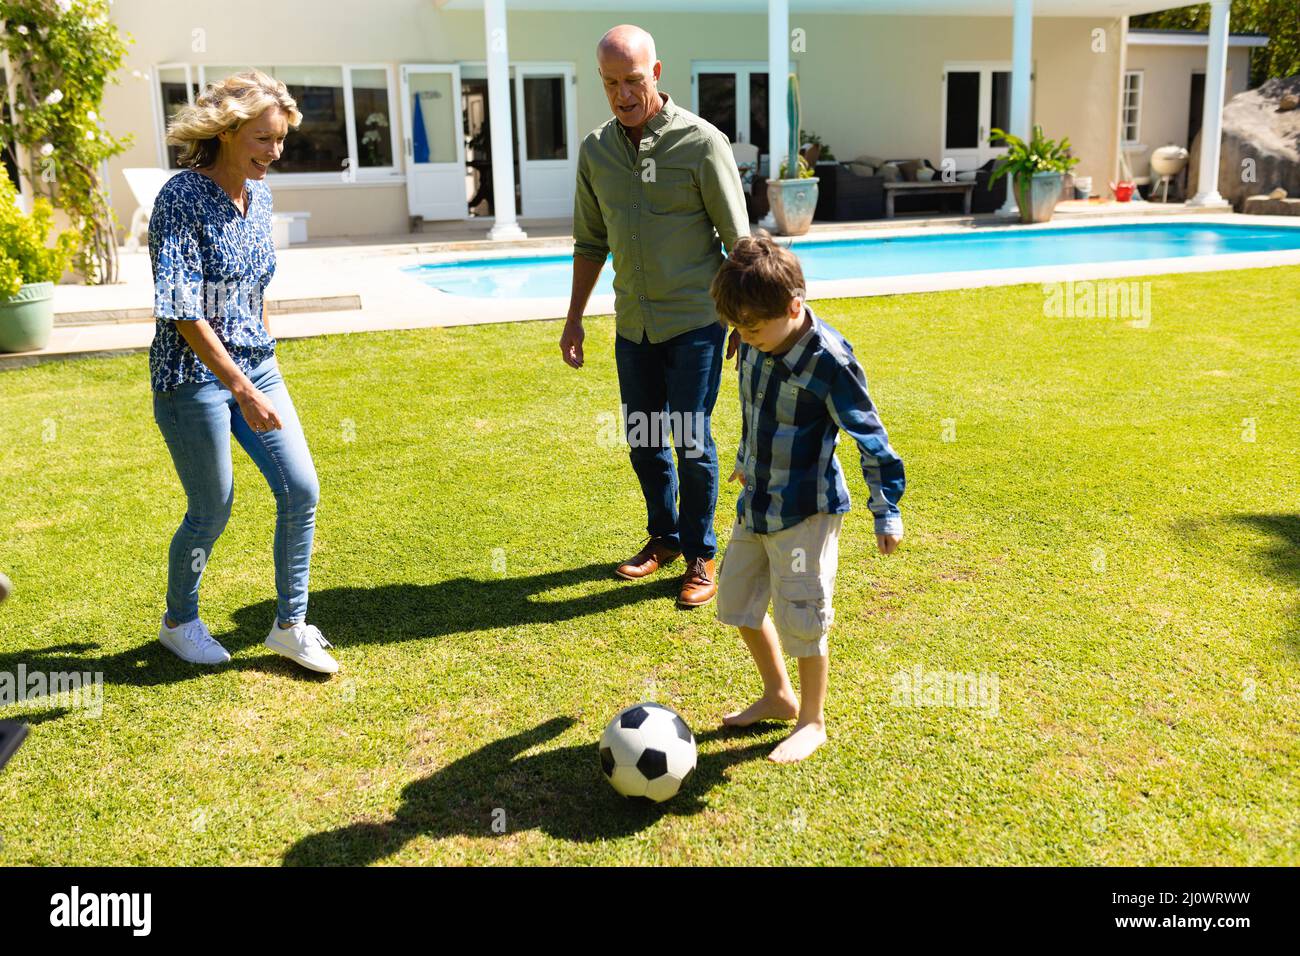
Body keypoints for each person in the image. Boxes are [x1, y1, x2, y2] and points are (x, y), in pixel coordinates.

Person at [148, 70, 337, 674]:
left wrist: (260, 352)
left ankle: (290, 625)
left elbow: (253, 286)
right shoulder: (180, 196)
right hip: (192, 376)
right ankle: (180, 622)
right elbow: (181, 307)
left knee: (300, 488)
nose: (274, 153)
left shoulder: (262, 197)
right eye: (263, 139)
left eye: (280, 140)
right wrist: (239, 387)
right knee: (212, 507)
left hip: (257, 363)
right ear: (227, 132)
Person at [562, 24, 750, 609]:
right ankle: (663, 537)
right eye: (611, 83)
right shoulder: (596, 151)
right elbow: (590, 242)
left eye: (634, 80)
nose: (623, 94)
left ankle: (700, 553)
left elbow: (737, 240)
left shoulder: (702, 143)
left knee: (691, 440)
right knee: (644, 440)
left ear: (657, 73)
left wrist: (744, 320)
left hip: (695, 322)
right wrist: (573, 319)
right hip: (632, 327)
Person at [710, 234, 905, 762]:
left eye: (751, 327)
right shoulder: (754, 337)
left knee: (803, 615)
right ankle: (777, 694)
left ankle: (812, 719)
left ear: (793, 306)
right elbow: (757, 409)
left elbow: (871, 438)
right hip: (757, 498)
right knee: (737, 603)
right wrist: (744, 463)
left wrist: (886, 510)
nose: (744, 338)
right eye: (737, 328)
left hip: (806, 511)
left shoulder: (831, 362)